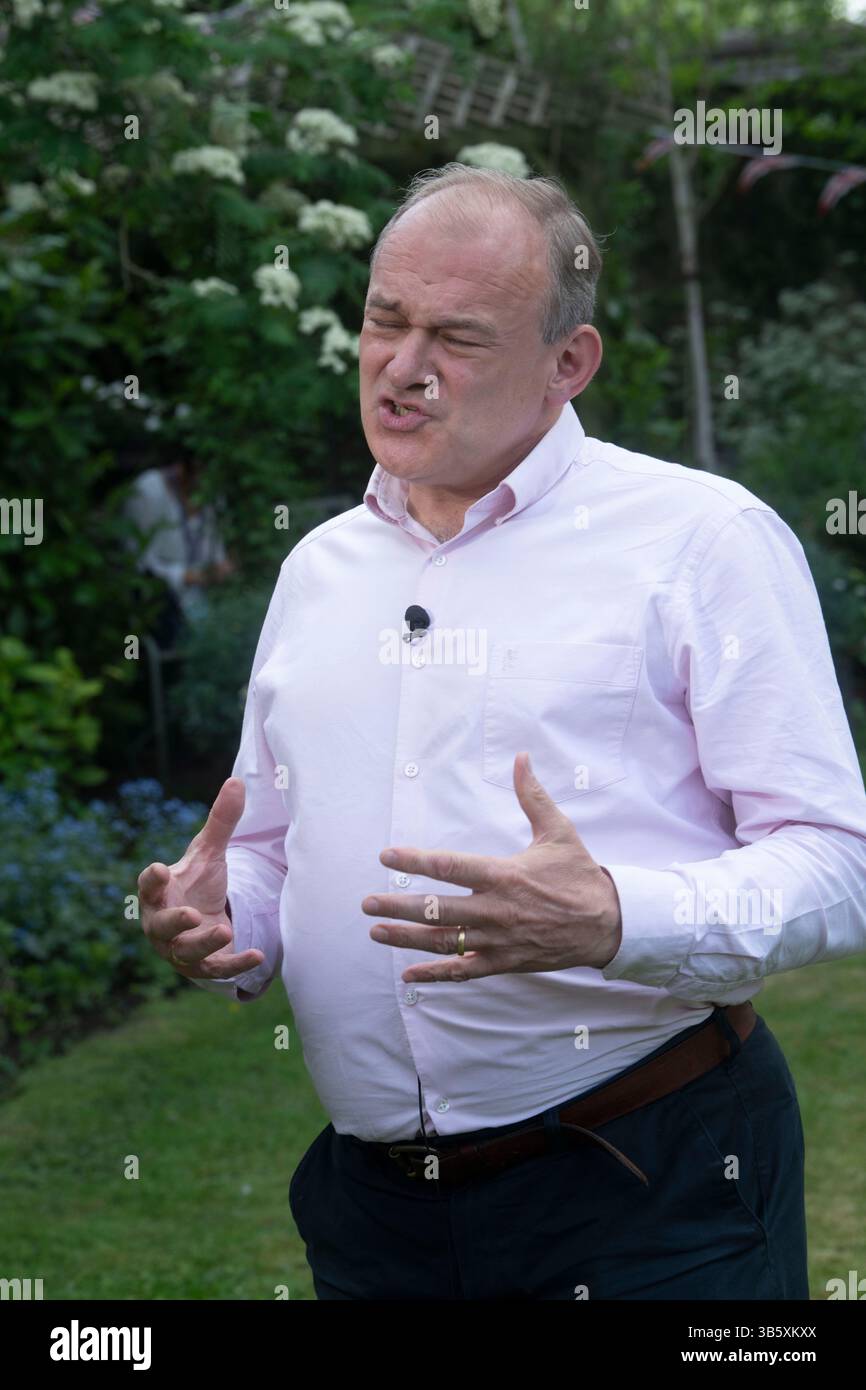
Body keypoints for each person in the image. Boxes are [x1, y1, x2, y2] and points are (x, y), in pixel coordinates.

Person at [137, 164, 866, 1300]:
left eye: (458, 338)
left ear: (566, 365)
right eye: (386, 319)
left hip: (648, 1186)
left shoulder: (700, 540)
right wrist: (229, 914)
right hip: (375, 1214)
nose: (403, 366)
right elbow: (271, 841)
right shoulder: (317, 570)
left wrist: (615, 918)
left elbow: (837, 860)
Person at [125, 452, 233, 646]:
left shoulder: (211, 494)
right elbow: (137, 560)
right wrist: (185, 576)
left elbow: (216, 552)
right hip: (160, 598)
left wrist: (221, 566)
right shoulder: (149, 490)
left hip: (202, 599)